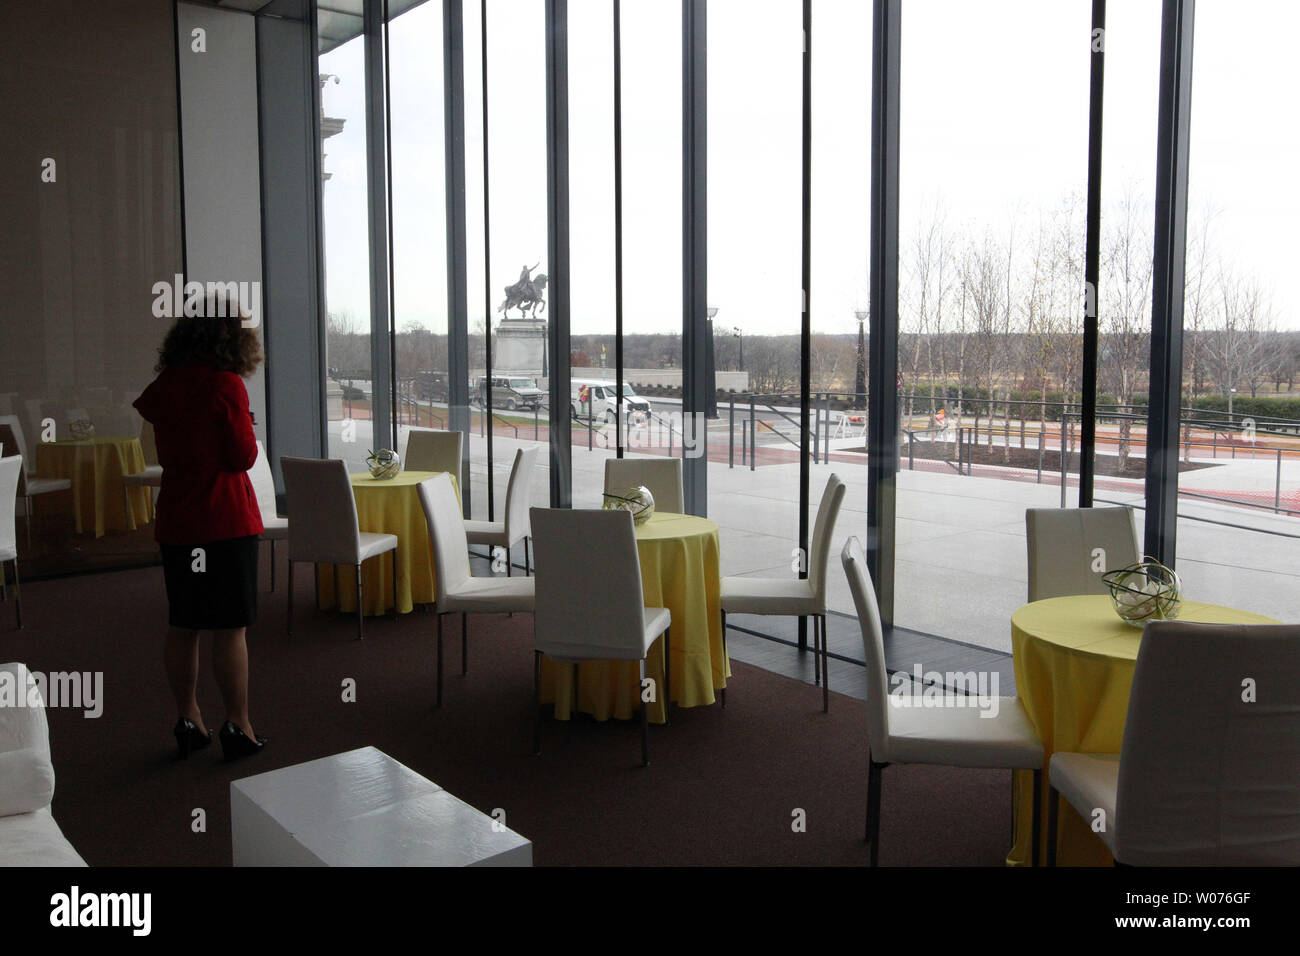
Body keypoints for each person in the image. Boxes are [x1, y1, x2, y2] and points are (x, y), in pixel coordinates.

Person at [134, 297, 266, 761]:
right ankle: (238, 723)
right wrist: (246, 423)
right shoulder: (226, 385)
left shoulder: (165, 385)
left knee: (184, 623)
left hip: (178, 520)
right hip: (225, 520)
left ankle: (189, 718)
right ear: (231, 340)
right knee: (230, 629)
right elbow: (242, 457)